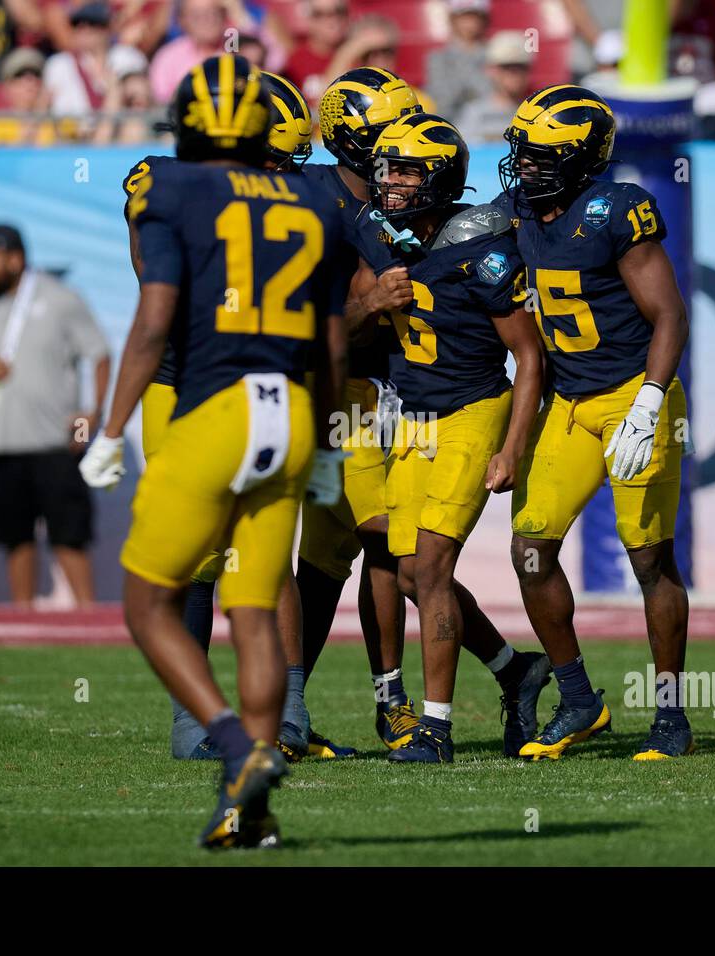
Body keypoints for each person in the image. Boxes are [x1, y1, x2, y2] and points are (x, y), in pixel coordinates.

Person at [79, 54, 348, 849]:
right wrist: (328, 443)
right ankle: (247, 810)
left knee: (146, 601)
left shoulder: (173, 188)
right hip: (291, 412)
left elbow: (154, 317)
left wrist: (111, 426)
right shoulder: (313, 199)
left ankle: (236, 748)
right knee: (254, 608)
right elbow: (333, 343)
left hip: (216, 409)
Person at [498, 85, 694, 760]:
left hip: (633, 395)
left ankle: (670, 715)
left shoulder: (616, 210)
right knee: (530, 549)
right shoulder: (519, 210)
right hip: (569, 404)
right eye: (522, 151)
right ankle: (580, 699)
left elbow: (669, 316)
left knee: (649, 560)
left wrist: (650, 401)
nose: (525, 165)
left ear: (581, 158)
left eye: (541, 154)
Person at [348, 113, 551, 764]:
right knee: (408, 573)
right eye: (387, 170)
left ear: (439, 178)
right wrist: (371, 302)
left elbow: (529, 355)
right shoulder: (383, 238)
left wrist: (513, 446)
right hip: (413, 421)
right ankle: (515, 670)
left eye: (406, 172)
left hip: (472, 413)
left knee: (432, 567)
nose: (391, 183)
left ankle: (435, 729)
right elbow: (339, 329)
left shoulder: (480, 248)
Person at [298, 67, 421, 751]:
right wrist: (370, 303)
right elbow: (302, 326)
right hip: (340, 394)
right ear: (350, 138)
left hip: (396, 392)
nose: (402, 144)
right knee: (386, 541)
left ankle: (294, 708)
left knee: (332, 559)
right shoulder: (313, 202)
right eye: (388, 132)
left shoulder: (401, 193)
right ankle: (501, 664)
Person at [0, 224, 110, 607]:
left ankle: (89, 618)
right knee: (15, 539)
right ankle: (23, 617)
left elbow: (100, 353)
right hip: (0, 445)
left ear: (15, 259)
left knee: (69, 536)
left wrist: (92, 414)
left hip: (53, 443)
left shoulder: (60, 298)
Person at [42, 1, 147, 118]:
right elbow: (43, 109)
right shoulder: (59, 64)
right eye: (77, 25)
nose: (84, 30)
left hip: (118, 126)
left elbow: (140, 102)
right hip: (70, 127)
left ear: (108, 28)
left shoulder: (127, 57)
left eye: (93, 25)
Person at [455, 30, 534, 145]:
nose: (514, 73)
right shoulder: (473, 113)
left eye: (520, 67)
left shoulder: (535, 114)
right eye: (506, 67)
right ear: (490, 70)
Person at [425, 0, 490, 119]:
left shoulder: (494, 54)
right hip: (450, 123)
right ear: (453, 19)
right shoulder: (438, 58)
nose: (469, 22)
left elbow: (493, 97)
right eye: (464, 16)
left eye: (474, 16)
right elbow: (442, 101)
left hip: (488, 122)